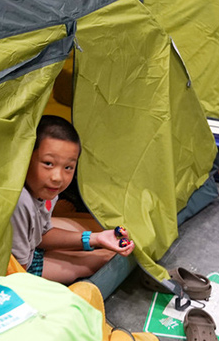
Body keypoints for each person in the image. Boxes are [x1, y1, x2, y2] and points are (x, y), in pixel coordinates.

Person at [11, 115, 135, 285]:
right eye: (48, 163)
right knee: (103, 260)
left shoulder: (46, 189)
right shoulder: (21, 200)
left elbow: (42, 235)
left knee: (102, 236)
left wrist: (96, 239)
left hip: (31, 245)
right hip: (21, 268)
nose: (58, 177)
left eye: (68, 167)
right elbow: (17, 272)